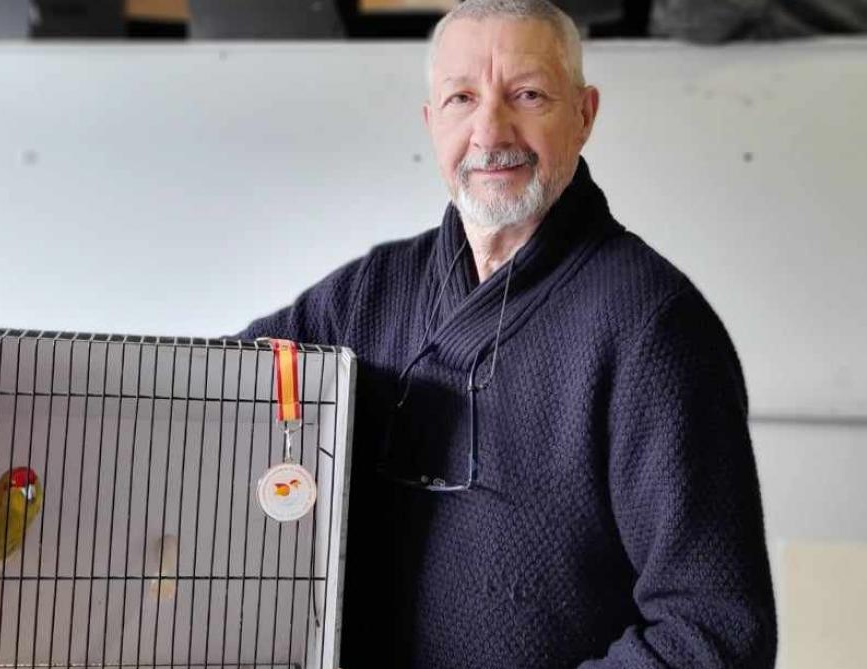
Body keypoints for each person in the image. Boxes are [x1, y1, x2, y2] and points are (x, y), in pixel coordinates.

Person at [236, 1, 777, 666]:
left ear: (585, 115)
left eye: (527, 94)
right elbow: (211, 401)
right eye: (462, 97)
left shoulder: (653, 326)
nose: (491, 130)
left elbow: (713, 629)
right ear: (432, 123)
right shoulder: (369, 294)